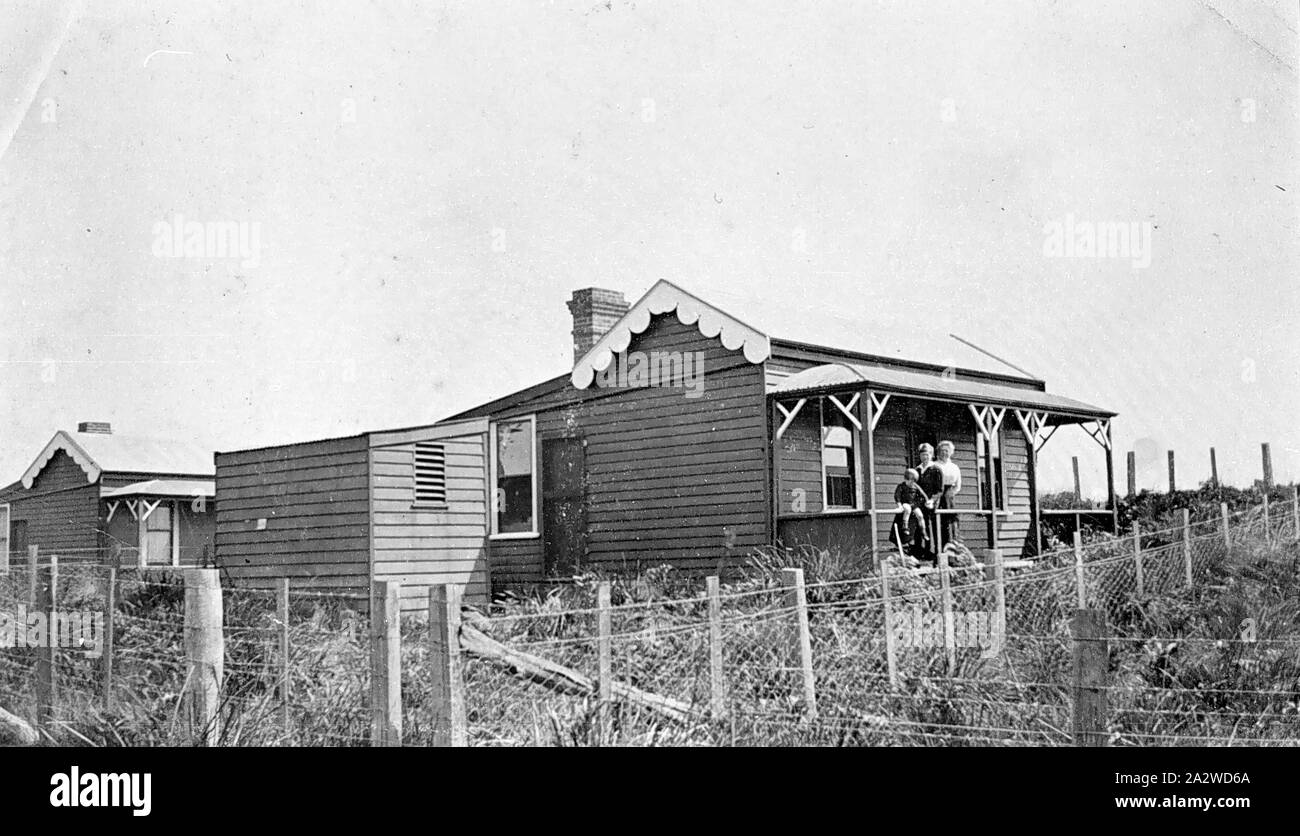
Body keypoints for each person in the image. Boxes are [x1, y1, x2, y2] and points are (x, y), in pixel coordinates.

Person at [890, 468, 929, 557]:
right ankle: (905, 526)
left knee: (920, 515)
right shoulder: (901, 486)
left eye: (914, 481)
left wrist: (926, 501)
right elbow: (897, 496)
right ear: (906, 479)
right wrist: (899, 505)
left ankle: (924, 532)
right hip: (905, 504)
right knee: (907, 509)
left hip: (913, 504)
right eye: (910, 480)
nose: (912, 483)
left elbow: (922, 495)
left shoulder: (915, 487)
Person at [915, 443, 943, 558]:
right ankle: (919, 554)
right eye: (922, 455)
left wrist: (932, 500)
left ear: (931, 455)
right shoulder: (917, 469)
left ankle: (934, 556)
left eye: (927, 455)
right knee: (920, 529)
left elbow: (940, 490)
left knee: (932, 529)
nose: (924, 457)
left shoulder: (936, 469)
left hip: (931, 504)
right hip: (919, 504)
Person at [933, 440, 963, 546]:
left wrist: (952, 492)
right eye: (942, 451)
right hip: (937, 495)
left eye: (947, 451)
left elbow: (958, 484)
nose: (944, 453)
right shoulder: (934, 465)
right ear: (938, 452)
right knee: (939, 522)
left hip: (949, 496)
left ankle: (953, 548)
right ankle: (940, 549)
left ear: (951, 452)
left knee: (952, 521)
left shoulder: (954, 467)